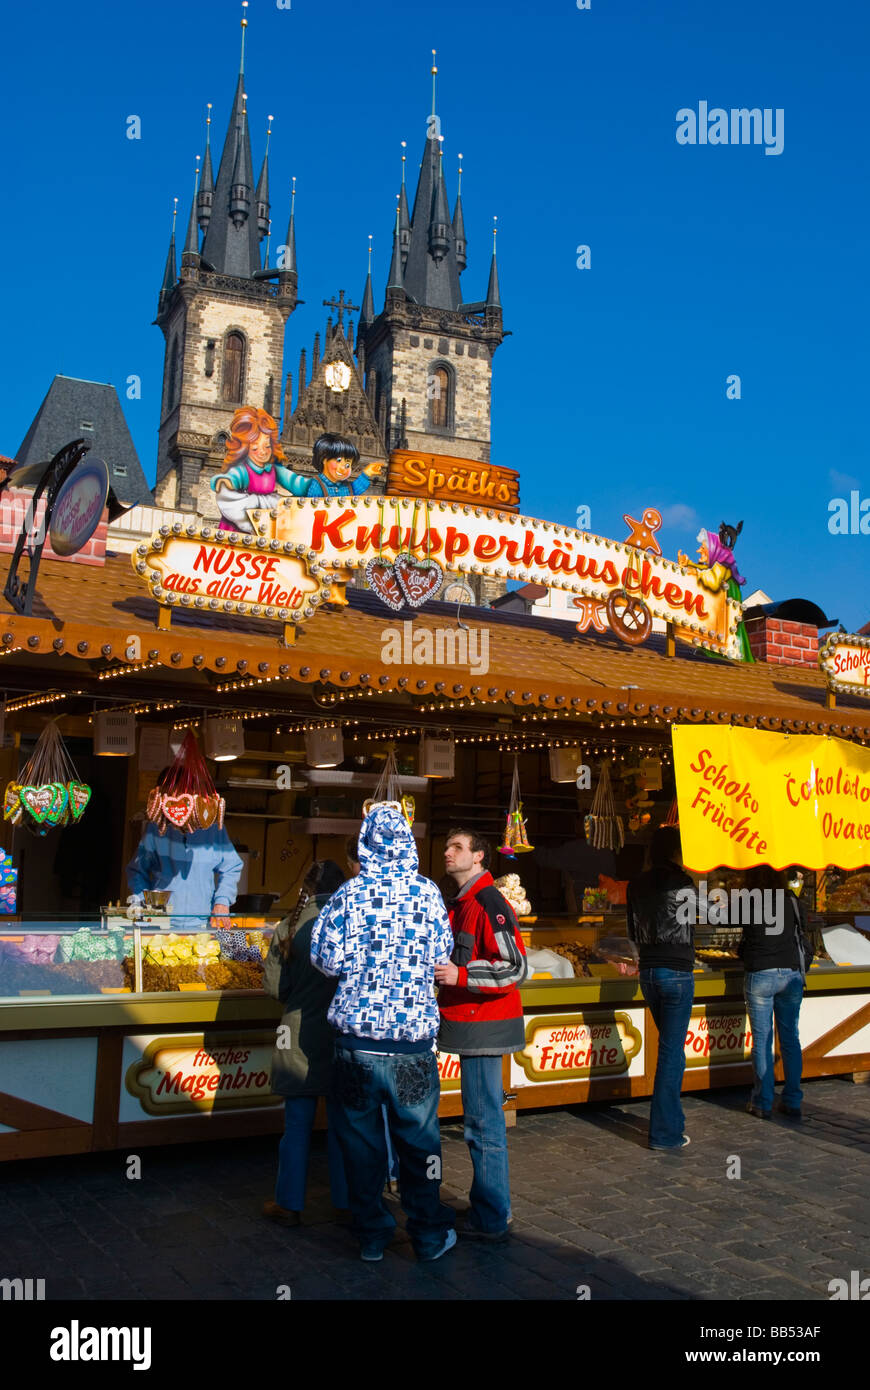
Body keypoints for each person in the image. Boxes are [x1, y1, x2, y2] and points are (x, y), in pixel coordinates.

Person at [311, 803, 456, 1263]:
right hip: (412, 1046)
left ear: (365, 844)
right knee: (420, 1145)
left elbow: (324, 960)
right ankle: (429, 1235)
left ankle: (372, 1234)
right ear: (409, 844)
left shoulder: (348, 896)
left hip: (357, 1047)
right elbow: (442, 953)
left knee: (361, 1145)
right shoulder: (428, 894)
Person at [437, 828, 528, 1241]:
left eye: (457, 847)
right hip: (469, 1022)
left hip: (484, 1025)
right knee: (480, 1119)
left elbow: (514, 967)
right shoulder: (462, 901)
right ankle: (490, 1211)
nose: (447, 852)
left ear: (479, 857)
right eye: (447, 846)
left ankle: (491, 1217)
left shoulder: (489, 901)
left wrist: (460, 974)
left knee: (483, 1122)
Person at [262, 861, 350, 1225]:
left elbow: (274, 988)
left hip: (297, 1033)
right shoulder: (352, 922)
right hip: (344, 1033)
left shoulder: (289, 925)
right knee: (343, 1125)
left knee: (296, 1125)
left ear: (306, 888)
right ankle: (347, 1201)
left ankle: (289, 1202)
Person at [626, 825, 696, 1151]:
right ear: (675, 851)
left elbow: (631, 931)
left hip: (649, 973)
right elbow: (706, 914)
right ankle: (664, 1133)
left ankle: (674, 1123)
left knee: (672, 1050)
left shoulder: (636, 885)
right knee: (670, 1053)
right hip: (678, 972)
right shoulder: (682, 882)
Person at [740, 865, 810, 1120]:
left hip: (760, 972)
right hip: (790, 972)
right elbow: (803, 926)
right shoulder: (791, 900)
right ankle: (792, 1099)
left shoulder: (748, 899)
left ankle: (763, 1101)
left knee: (762, 1041)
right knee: (790, 1038)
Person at [126, 793, 243, 930]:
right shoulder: (157, 827)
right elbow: (136, 870)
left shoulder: (214, 828)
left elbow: (232, 867)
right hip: (161, 925)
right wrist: (145, 902)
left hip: (202, 924)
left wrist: (222, 901)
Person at [532, 814, 617, 912]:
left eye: (577, 822)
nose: (575, 826)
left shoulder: (577, 848)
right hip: (603, 901)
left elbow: (546, 859)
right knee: (597, 923)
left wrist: (530, 846)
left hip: (582, 901)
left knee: (586, 924)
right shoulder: (606, 850)